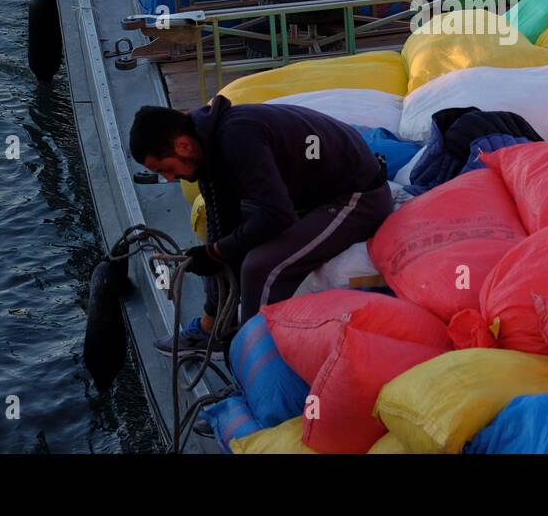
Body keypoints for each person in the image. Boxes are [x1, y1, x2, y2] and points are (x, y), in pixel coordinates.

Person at [129, 96, 391, 357]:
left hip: (356, 197)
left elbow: (277, 215)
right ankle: (215, 328)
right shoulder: (205, 145)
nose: (169, 178)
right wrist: (214, 254)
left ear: (183, 145)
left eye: (166, 169)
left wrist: (218, 251)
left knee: (260, 267)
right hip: (309, 197)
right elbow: (222, 225)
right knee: (220, 237)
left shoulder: (238, 138)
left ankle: (251, 361)